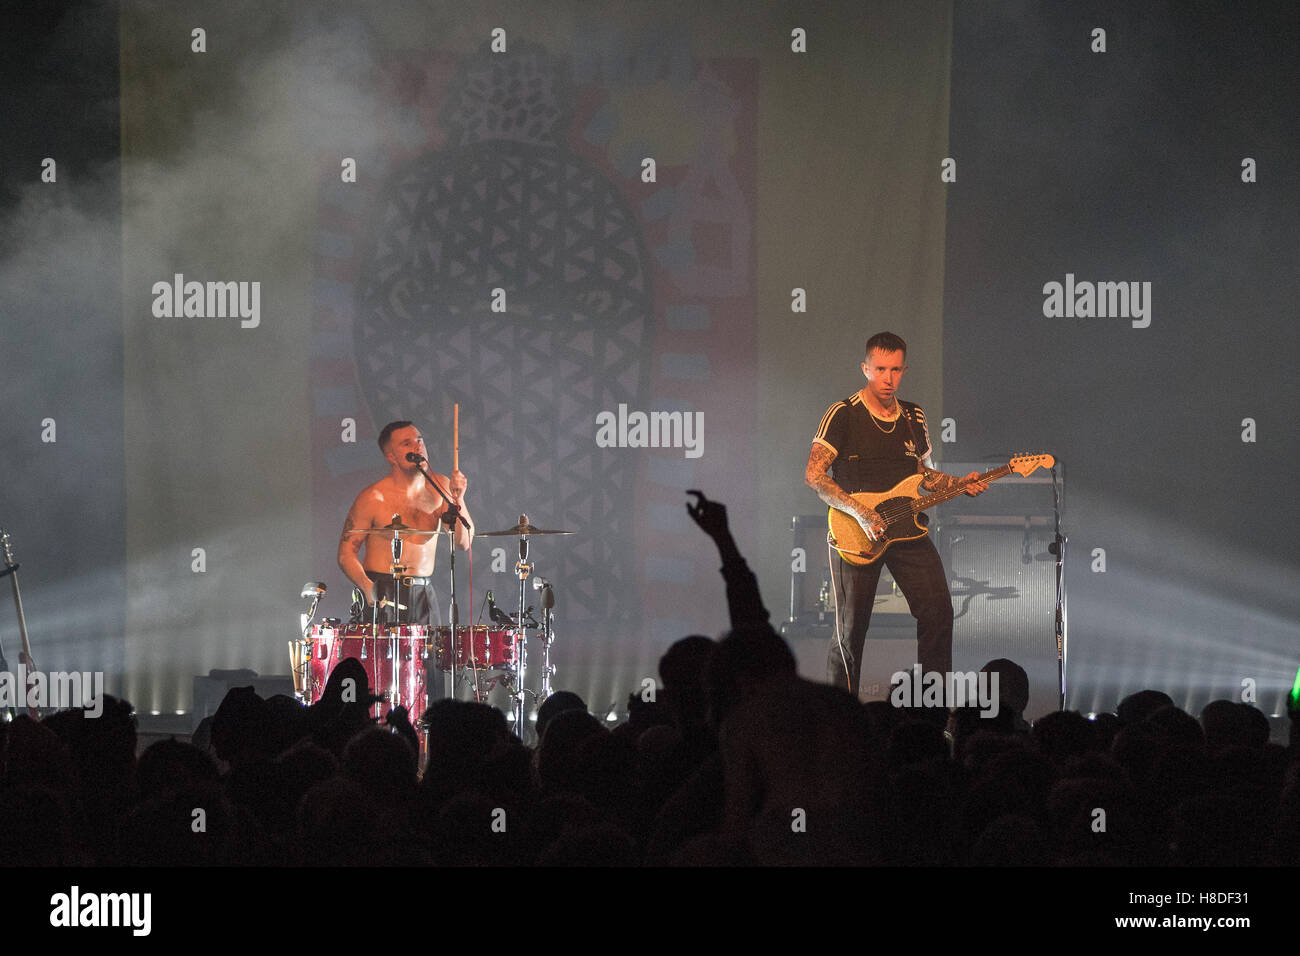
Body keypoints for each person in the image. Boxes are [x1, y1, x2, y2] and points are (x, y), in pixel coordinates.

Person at [804, 332, 985, 695]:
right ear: (866, 368)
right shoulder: (843, 413)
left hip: (907, 529)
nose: (888, 378)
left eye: (896, 370)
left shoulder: (913, 416)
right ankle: (841, 717)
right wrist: (861, 513)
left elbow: (925, 475)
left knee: (938, 613)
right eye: (881, 369)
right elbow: (814, 475)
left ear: (904, 370)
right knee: (851, 631)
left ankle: (932, 710)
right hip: (857, 532)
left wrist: (958, 483)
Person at [337, 420, 474, 627]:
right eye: (407, 443)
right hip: (383, 589)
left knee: (429, 657)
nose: (417, 447)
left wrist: (459, 499)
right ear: (391, 456)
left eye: (420, 441)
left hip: (422, 591)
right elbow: (346, 553)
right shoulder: (373, 497)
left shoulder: (440, 487)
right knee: (383, 657)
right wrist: (367, 587)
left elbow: (463, 543)